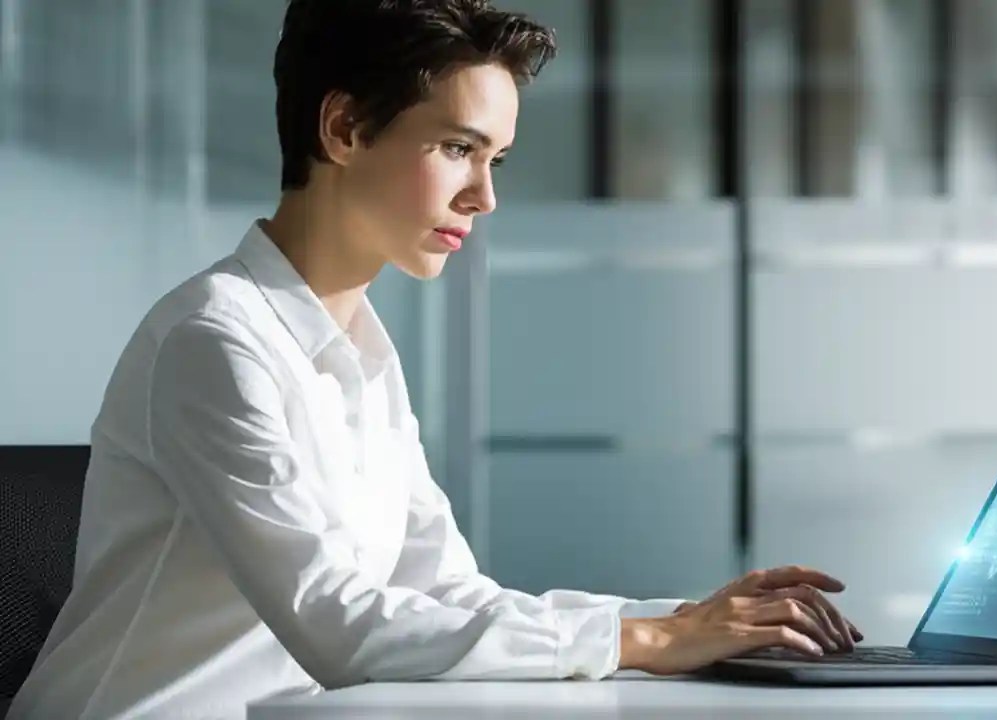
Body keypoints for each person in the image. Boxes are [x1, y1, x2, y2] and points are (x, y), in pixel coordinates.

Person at [8, 1, 861, 717]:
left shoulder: (361, 353)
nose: (484, 197)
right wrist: (652, 640)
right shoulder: (215, 342)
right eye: (457, 148)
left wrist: (691, 618)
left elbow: (448, 598)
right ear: (343, 128)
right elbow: (338, 626)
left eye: (494, 160)